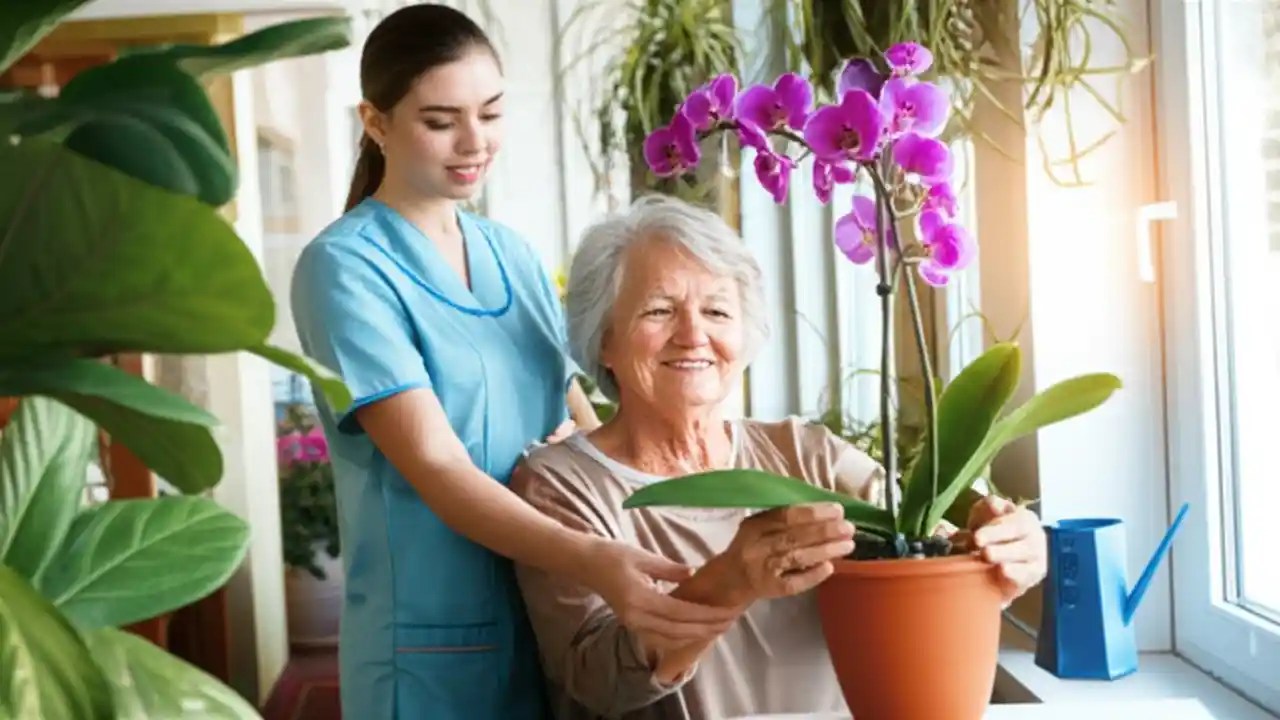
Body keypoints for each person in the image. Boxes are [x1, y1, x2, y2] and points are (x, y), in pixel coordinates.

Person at [289, 7, 737, 719]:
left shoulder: (513, 255)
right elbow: (438, 468)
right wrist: (594, 559)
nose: (474, 143)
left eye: (490, 113)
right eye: (441, 121)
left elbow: (581, 425)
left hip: (551, 622)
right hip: (430, 655)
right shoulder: (344, 269)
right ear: (374, 122)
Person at [509, 194, 1049, 720]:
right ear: (603, 340)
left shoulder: (805, 454)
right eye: (659, 310)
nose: (694, 335)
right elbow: (597, 682)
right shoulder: (559, 485)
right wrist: (729, 581)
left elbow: (923, 567)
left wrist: (1000, 554)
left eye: (718, 311)